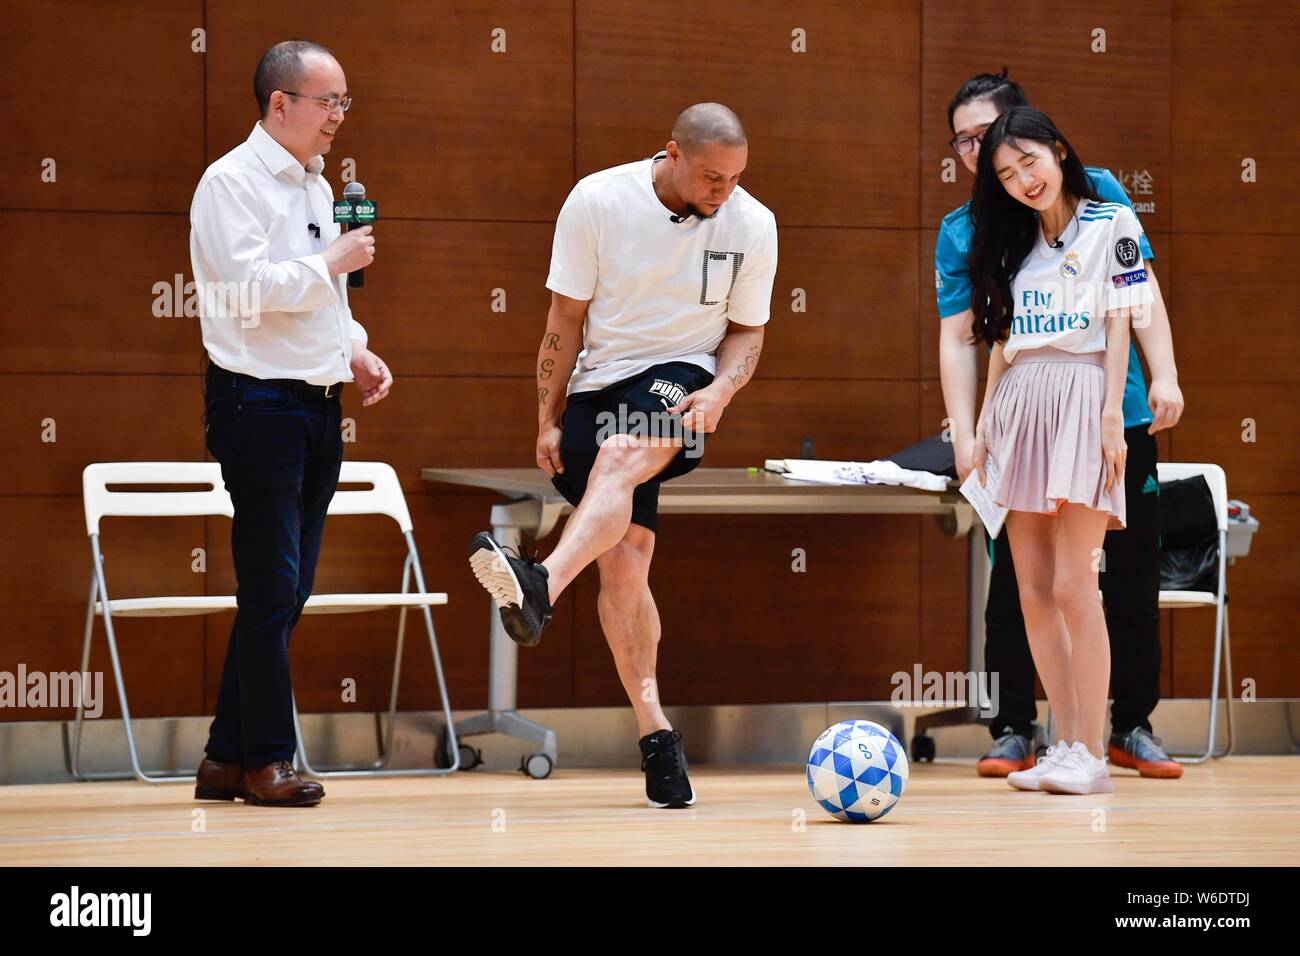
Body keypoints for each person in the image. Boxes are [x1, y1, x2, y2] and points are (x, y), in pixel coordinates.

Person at [468, 103, 777, 808]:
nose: (722, 191)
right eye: (710, 177)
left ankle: (539, 581)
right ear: (670, 152)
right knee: (625, 561)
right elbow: (564, 321)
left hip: (685, 378)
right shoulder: (598, 200)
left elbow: (747, 335)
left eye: (734, 178)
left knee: (623, 448)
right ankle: (656, 736)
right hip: (597, 385)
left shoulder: (753, 224)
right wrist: (546, 418)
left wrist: (722, 392)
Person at [936, 71, 1185, 780]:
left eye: (1021, 157)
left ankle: (1109, 737)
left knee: (1085, 584)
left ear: (1054, 146)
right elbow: (983, 342)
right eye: (988, 156)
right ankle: (1062, 745)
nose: (1011, 172)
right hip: (1020, 407)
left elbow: (1128, 311)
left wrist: (1136, 394)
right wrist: (976, 428)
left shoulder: (1108, 211)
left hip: (1088, 405)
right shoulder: (995, 235)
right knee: (1031, 589)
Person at [190, 40, 392, 807]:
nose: (339, 115)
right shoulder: (230, 184)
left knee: (288, 588)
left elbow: (326, 303)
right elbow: (241, 294)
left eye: (345, 101)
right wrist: (331, 261)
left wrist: (357, 352)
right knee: (272, 583)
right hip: (254, 403)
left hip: (315, 403)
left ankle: (222, 758)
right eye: (327, 100)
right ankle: (269, 760)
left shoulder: (317, 185)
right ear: (280, 104)